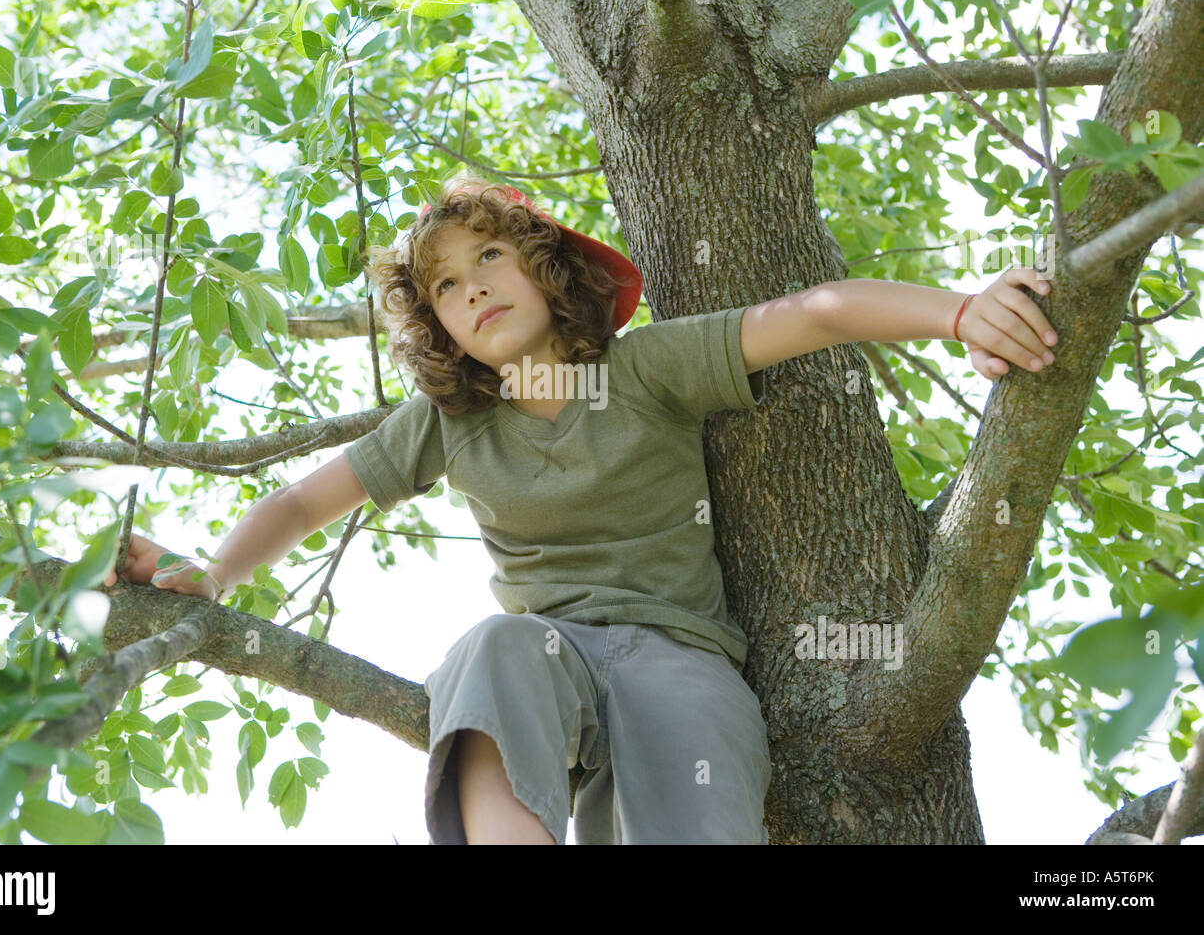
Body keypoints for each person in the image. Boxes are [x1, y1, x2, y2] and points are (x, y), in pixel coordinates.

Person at [106, 172, 1059, 844]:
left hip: (677, 658)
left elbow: (813, 313)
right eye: (444, 283)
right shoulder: (448, 421)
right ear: (437, 326)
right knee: (487, 649)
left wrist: (962, 310)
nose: (472, 282)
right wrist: (212, 573)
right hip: (546, 666)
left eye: (490, 254)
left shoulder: (642, 368)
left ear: (546, 271)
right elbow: (305, 497)